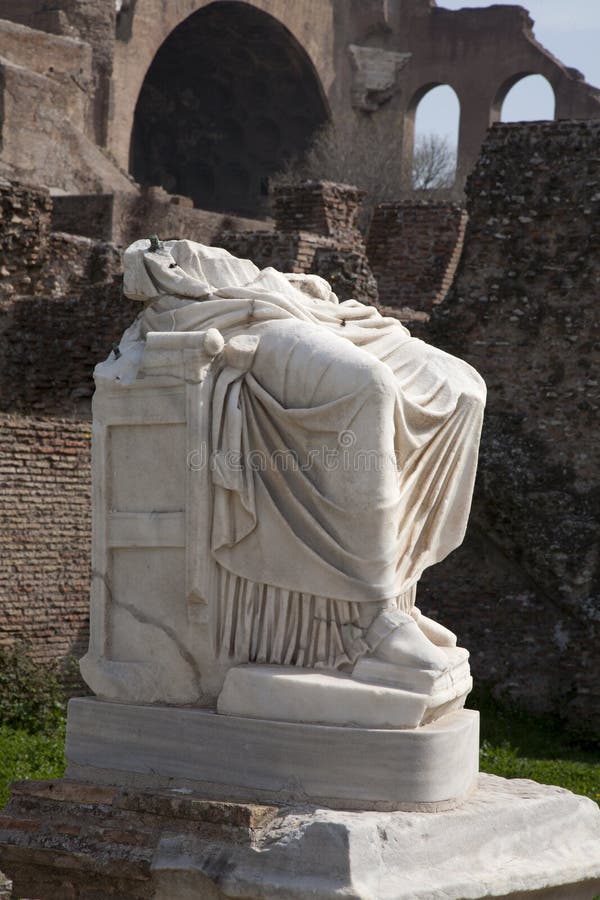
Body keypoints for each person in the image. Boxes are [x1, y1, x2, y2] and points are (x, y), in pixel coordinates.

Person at [116, 238, 486, 679]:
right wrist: (167, 270)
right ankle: (370, 617)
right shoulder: (157, 259)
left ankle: (397, 591)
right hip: (234, 320)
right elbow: (139, 271)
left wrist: (293, 286)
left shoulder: (245, 270)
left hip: (293, 305)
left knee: (463, 387)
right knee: (368, 387)